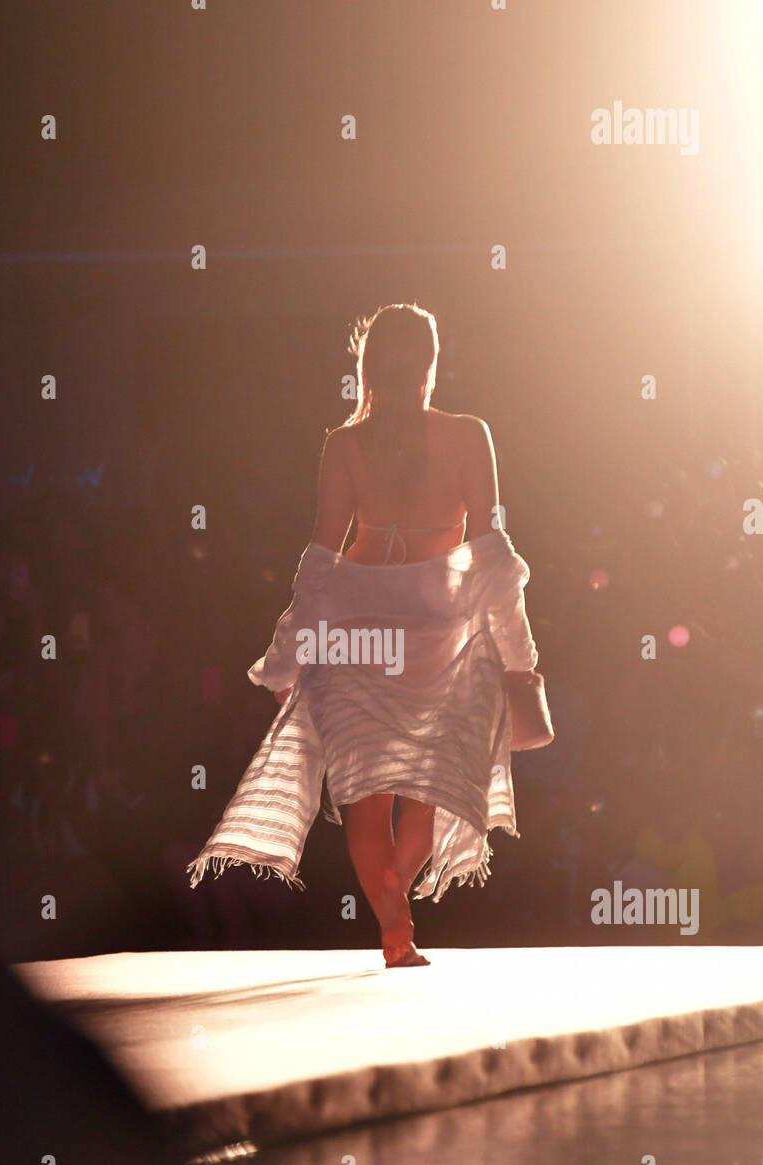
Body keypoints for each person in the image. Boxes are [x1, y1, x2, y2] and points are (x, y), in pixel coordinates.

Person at [188, 303, 544, 966]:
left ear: (366, 366)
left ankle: (392, 925)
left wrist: (287, 658)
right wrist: (520, 660)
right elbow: (493, 553)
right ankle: (394, 897)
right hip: (438, 629)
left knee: (364, 793)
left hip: (356, 626)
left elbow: (321, 559)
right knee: (433, 782)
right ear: (433, 363)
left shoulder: (345, 445)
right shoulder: (471, 435)